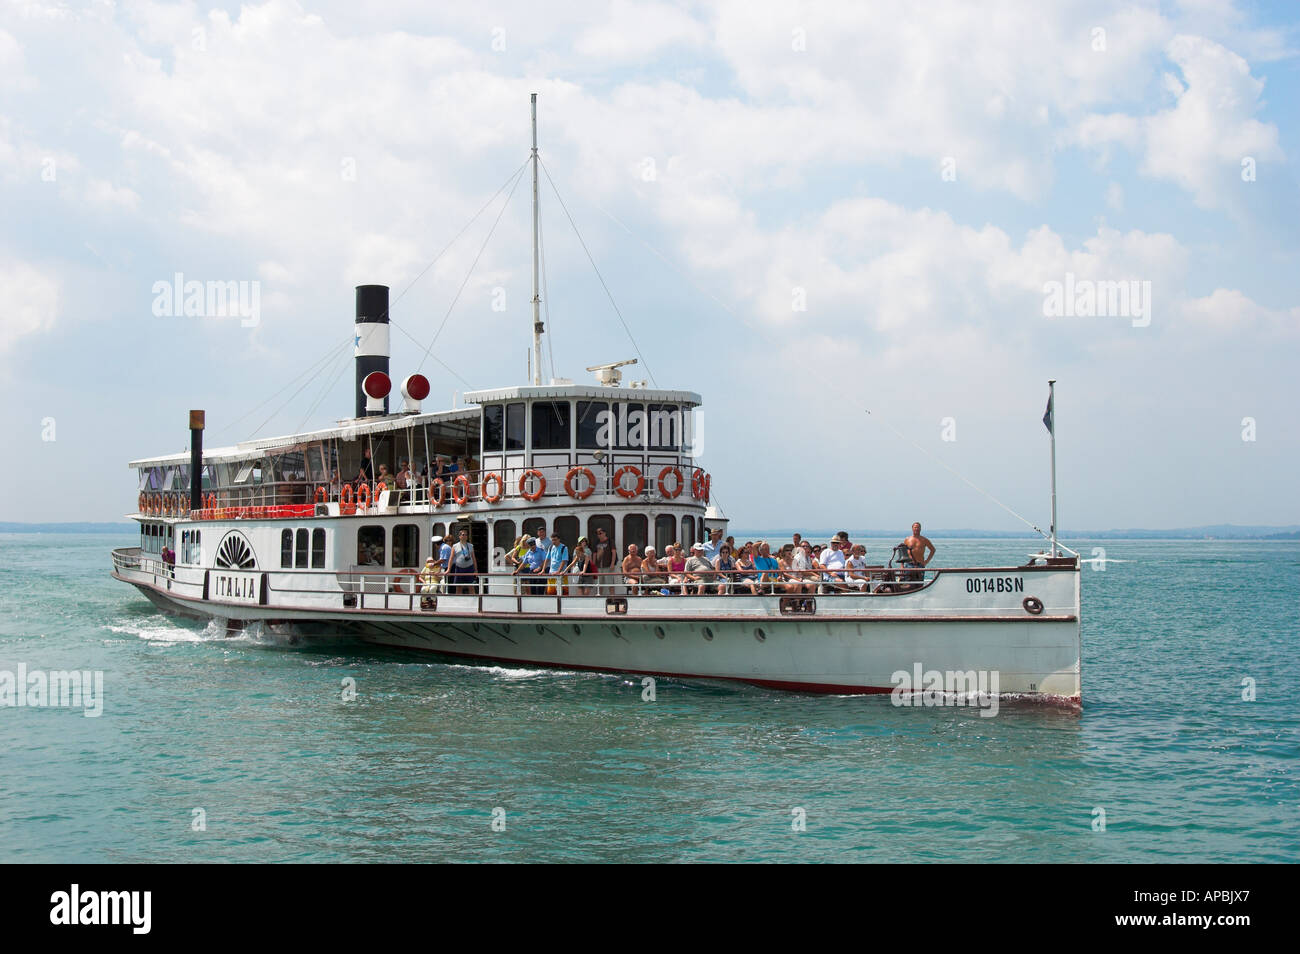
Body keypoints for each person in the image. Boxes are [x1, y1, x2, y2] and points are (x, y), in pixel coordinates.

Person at [448, 528, 478, 593]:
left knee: (471, 586)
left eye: (466, 535)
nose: (465, 536)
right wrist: (448, 570)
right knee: (459, 587)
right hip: (459, 569)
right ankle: (458, 602)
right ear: (459, 536)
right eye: (463, 535)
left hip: (469, 568)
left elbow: (474, 558)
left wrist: (475, 570)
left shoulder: (470, 546)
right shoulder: (455, 546)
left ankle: (473, 602)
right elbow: (451, 558)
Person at [592, 526, 616, 593]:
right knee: (599, 585)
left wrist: (612, 564)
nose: (599, 535)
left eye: (600, 533)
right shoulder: (596, 542)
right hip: (598, 567)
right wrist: (594, 566)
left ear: (604, 533)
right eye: (597, 533)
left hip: (608, 566)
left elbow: (613, 552)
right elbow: (594, 554)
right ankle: (599, 600)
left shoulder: (610, 541)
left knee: (610, 584)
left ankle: (612, 600)